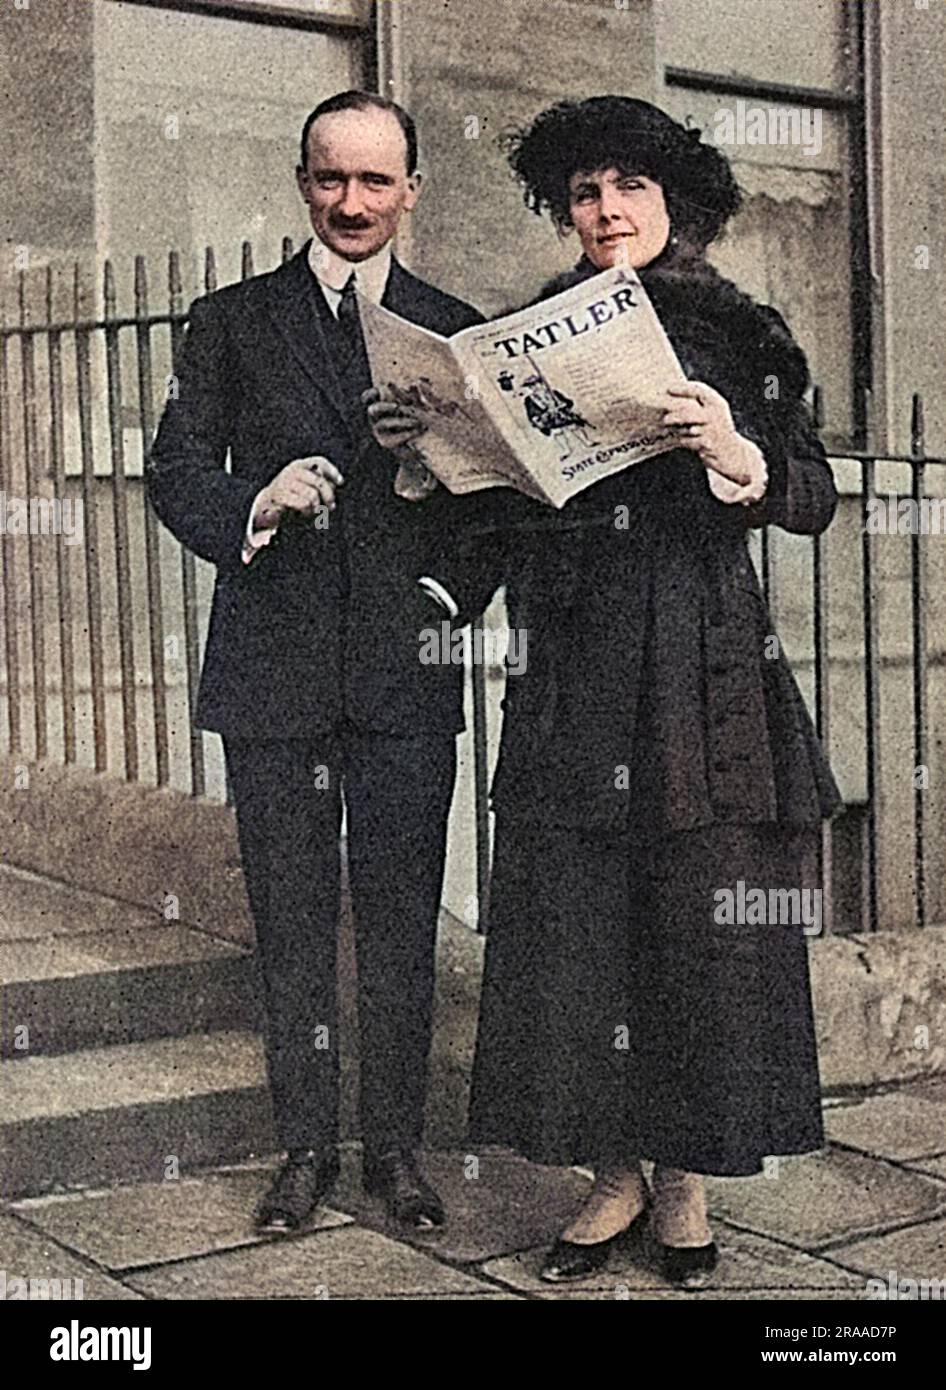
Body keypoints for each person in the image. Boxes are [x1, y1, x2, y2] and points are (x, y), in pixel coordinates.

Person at [367, 96, 841, 1289]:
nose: (606, 210)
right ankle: (613, 1173)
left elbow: (811, 490)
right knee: (580, 928)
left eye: (628, 186)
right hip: (574, 669)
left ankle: (679, 1178)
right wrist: (432, 465)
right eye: (584, 193)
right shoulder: (526, 337)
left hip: (699, 667)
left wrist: (735, 453)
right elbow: (498, 518)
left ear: (672, 200)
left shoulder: (740, 333)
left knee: (691, 924)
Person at [147, 90, 485, 1234]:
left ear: (411, 191)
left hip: (402, 670)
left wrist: (438, 524)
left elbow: (500, 505)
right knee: (290, 920)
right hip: (276, 671)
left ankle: (395, 1152)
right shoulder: (233, 320)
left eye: (375, 181)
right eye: (331, 179)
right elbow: (176, 471)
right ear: (303, 183)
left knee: (399, 921)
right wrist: (259, 499)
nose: (352, 202)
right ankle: (304, 1153)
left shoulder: (453, 329)